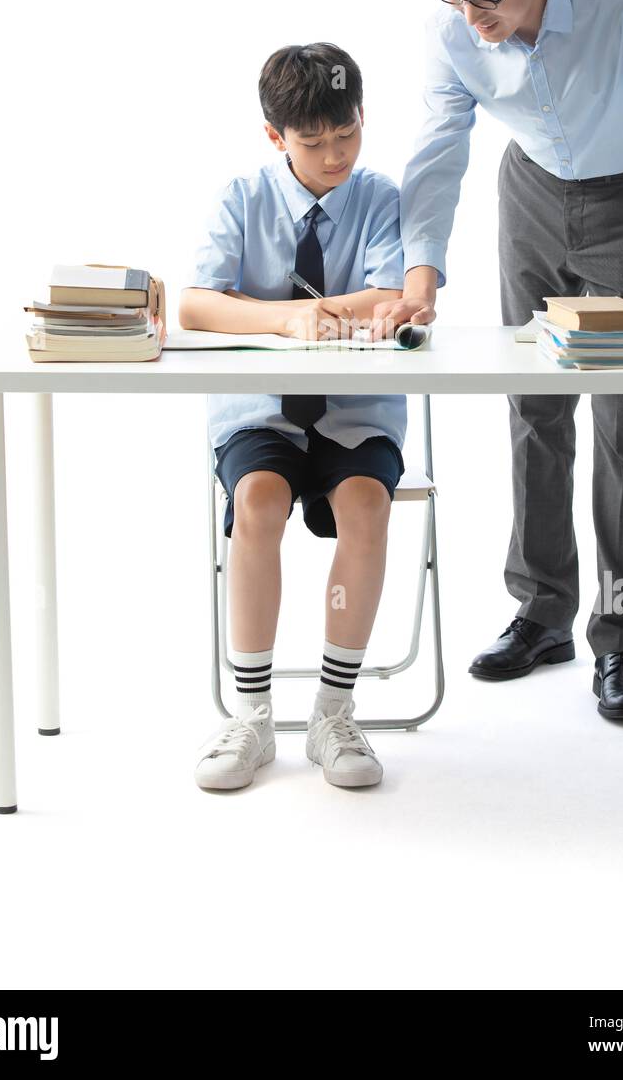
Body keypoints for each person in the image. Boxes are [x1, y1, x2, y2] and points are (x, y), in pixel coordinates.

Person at [372, 0, 623, 723]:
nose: (474, 17)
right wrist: (421, 278)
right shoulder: (451, 25)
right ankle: (542, 610)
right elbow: (440, 145)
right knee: (535, 407)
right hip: (528, 194)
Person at [180, 42, 407, 790]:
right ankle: (250, 717)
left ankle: (334, 712)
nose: (335, 154)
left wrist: (272, 308)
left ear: (362, 116)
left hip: (353, 409)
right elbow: (192, 305)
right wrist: (286, 324)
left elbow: (390, 297)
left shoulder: (380, 198)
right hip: (261, 413)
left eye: (347, 135)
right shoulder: (241, 200)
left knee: (367, 506)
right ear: (275, 137)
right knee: (260, 501)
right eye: (314, 143)